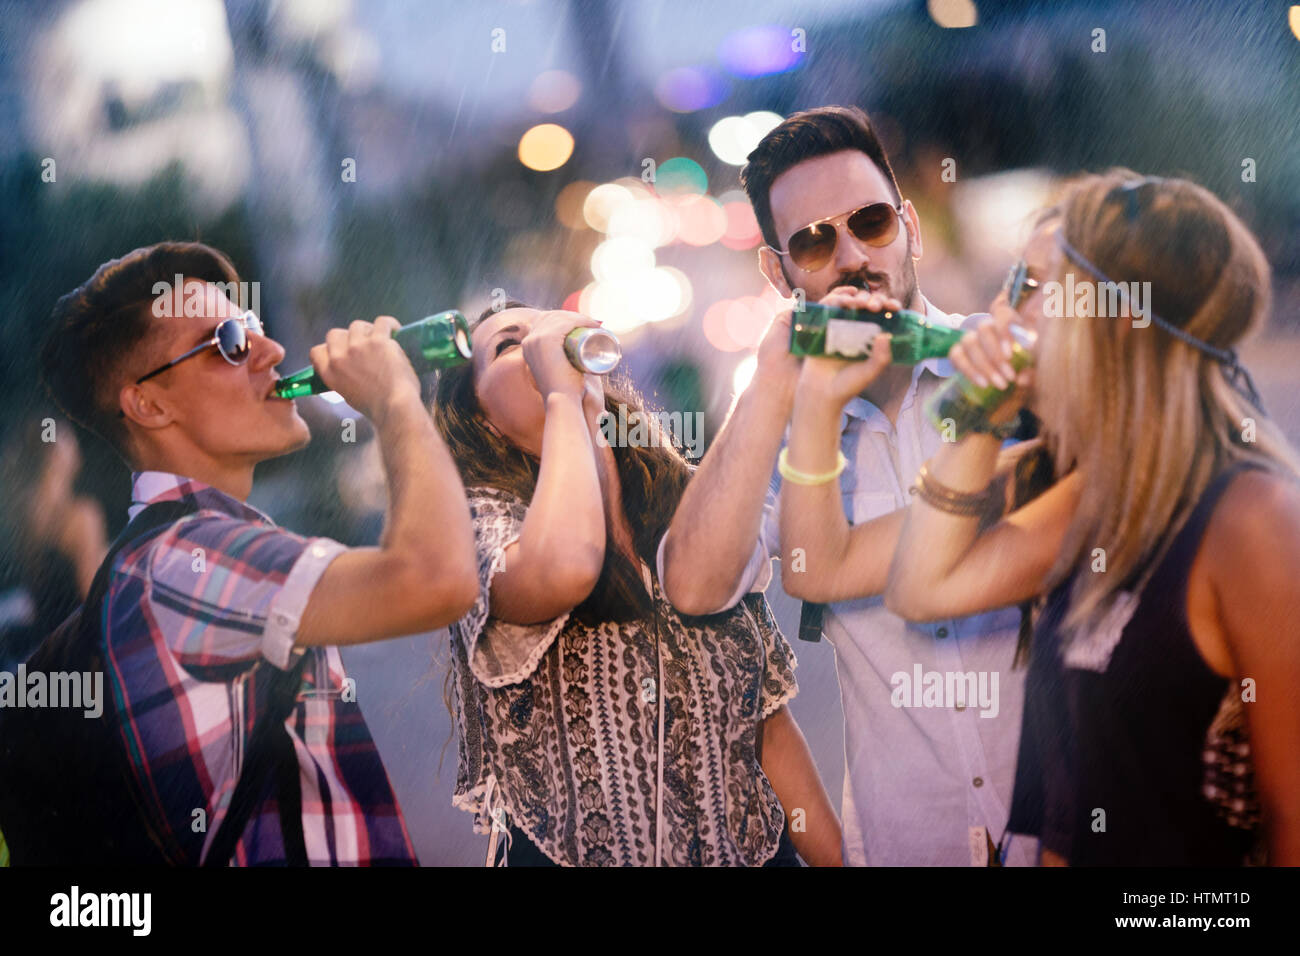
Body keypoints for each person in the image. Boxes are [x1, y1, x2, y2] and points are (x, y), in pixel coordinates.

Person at [885, 171, 1300, 866]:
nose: (997, 308)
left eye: (1028, 288)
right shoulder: (1105, 493)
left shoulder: (1252, 518)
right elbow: (921, 588)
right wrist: (980, 411)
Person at [661, 105, 1035, 865]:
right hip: (911, 843)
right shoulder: (783, 426)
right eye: (814, 240)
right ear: (780, 272)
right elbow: (695, 588)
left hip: (1066, 828)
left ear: (911, 230)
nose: (852, 255)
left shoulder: (1002, 373)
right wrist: (775, 386)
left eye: (870, 222)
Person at [30, 241, 479, 864]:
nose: (269, 352)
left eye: (257, 329)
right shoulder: (183, 559)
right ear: (149, 404)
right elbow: (436, 580)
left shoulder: (179, 553)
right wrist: (395, 399)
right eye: (231, 342)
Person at [431, 302, 841, 866]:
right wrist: (560, 402)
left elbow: (767, 725)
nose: (538, 346)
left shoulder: (681, 502)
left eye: (548, 331)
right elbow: (566, 568)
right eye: (509, 344)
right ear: (479, 417)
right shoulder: (474, 524)